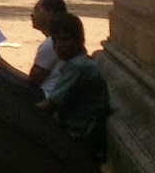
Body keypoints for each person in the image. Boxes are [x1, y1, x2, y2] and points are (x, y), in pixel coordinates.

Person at [38, 11, 111, 161]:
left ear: (79, 40)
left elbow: (49, 105)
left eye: (64, 40)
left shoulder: (78, 67)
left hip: (79, 133)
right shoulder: (77, 63)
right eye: (55, 41)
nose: (59, 46)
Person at [0, 0, 69, 101]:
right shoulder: (57, 40)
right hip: (51, 95)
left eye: (37, 10)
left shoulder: (50, 44)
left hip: (44, 97)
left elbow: (31, 82)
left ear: (49, 13)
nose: (32, 14)